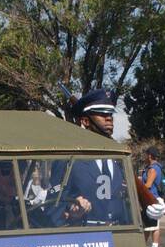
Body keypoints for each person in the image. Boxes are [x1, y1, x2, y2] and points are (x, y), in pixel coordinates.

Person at [53, 89, 131, 227]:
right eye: (101, 114)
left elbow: (125, 202)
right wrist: (71, 210)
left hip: (119, 236)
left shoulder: (118, 159)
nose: (108, 118)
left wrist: (149, 211)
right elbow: (53, 204)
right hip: (86, 237)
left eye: (110, 114)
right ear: (85, 121)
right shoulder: (69, 159)